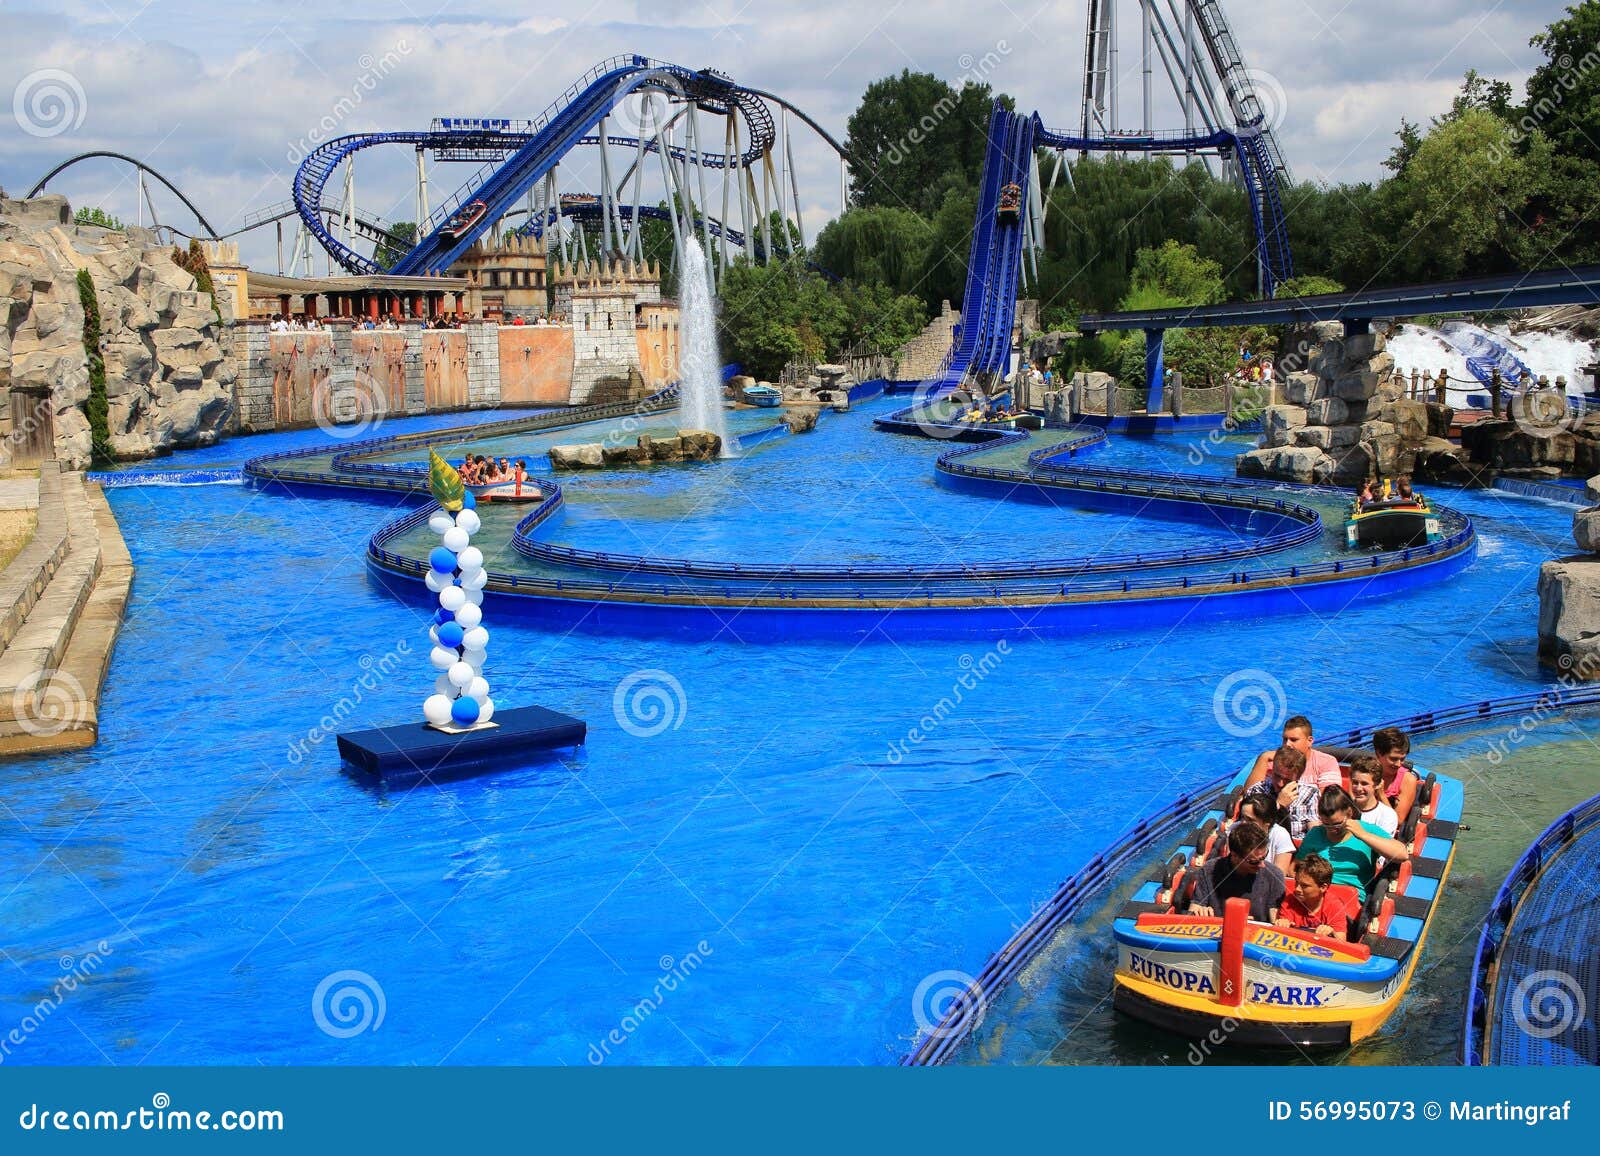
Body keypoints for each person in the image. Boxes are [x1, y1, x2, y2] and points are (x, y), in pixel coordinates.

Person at [1293, 787, 1409, 902]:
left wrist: (1363, 835)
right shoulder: (1316, 833)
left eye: (1337, 824)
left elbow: (1402, 854)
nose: (1331, 829)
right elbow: (1295, 869)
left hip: (1351, 901)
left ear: (1349, 813)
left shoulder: (1367, 830)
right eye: (1326, 824)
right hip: (1316, 897)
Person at [1189, 822, 1285, 922]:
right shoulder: (1209, 870)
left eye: (1264, 857)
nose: (1262, 865)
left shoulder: (1274, 875)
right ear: (1235, 856)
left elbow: (1276, 919)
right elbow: (1194, 908)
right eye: (1254, 862)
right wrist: (1200, 912)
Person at [1243, 715, 1342, 793]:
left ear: (1309, 741)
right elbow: (1249, 794)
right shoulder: (1273, 762)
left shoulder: (1326, 762)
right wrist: (1263, 757)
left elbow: (1328, 804)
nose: (1287, 744)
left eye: (1293, 740)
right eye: (1285, 739)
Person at [1245, 744, 1320, 842]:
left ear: (1297, 778)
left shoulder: (1310, 794)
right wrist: (1279, 805)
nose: (1280, 784)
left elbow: (1313, 833)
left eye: (1287, 780)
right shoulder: (1257, 791)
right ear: (1272, 770)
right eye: (1277, 776)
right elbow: (1254, 832)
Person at [1275, 854, 1360, 939]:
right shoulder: (1290, 901)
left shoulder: (1334, 906)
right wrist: (1282, 923)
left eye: (1305, 886)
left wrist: (1332, 932)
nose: (1297, 889)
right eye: (1297, 882)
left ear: (1323, 887)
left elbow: (1342, 941)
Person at [1239, 792, 1294, 875]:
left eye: (1250, 820)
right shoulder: (1235, 829)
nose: (1243, 823)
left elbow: (1279, 875)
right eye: (1242, 817)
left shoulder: (1280, 835)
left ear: (1266, 824)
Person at [1372, 727, 1418, 823]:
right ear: (1379, 753)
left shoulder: (1408, 780)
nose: (1398, 764)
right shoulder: (1363, 772)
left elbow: (1398, 820)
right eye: (1393, 759)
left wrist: (1381, 795)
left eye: (1402, 759)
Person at [1347, 754, 1398, 838]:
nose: (1358, 788)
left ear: (1377, 785)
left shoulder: (1387, 815)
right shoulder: (1342, 808)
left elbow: (1382, 847)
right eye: (1355, 783)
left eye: (1364, 784)